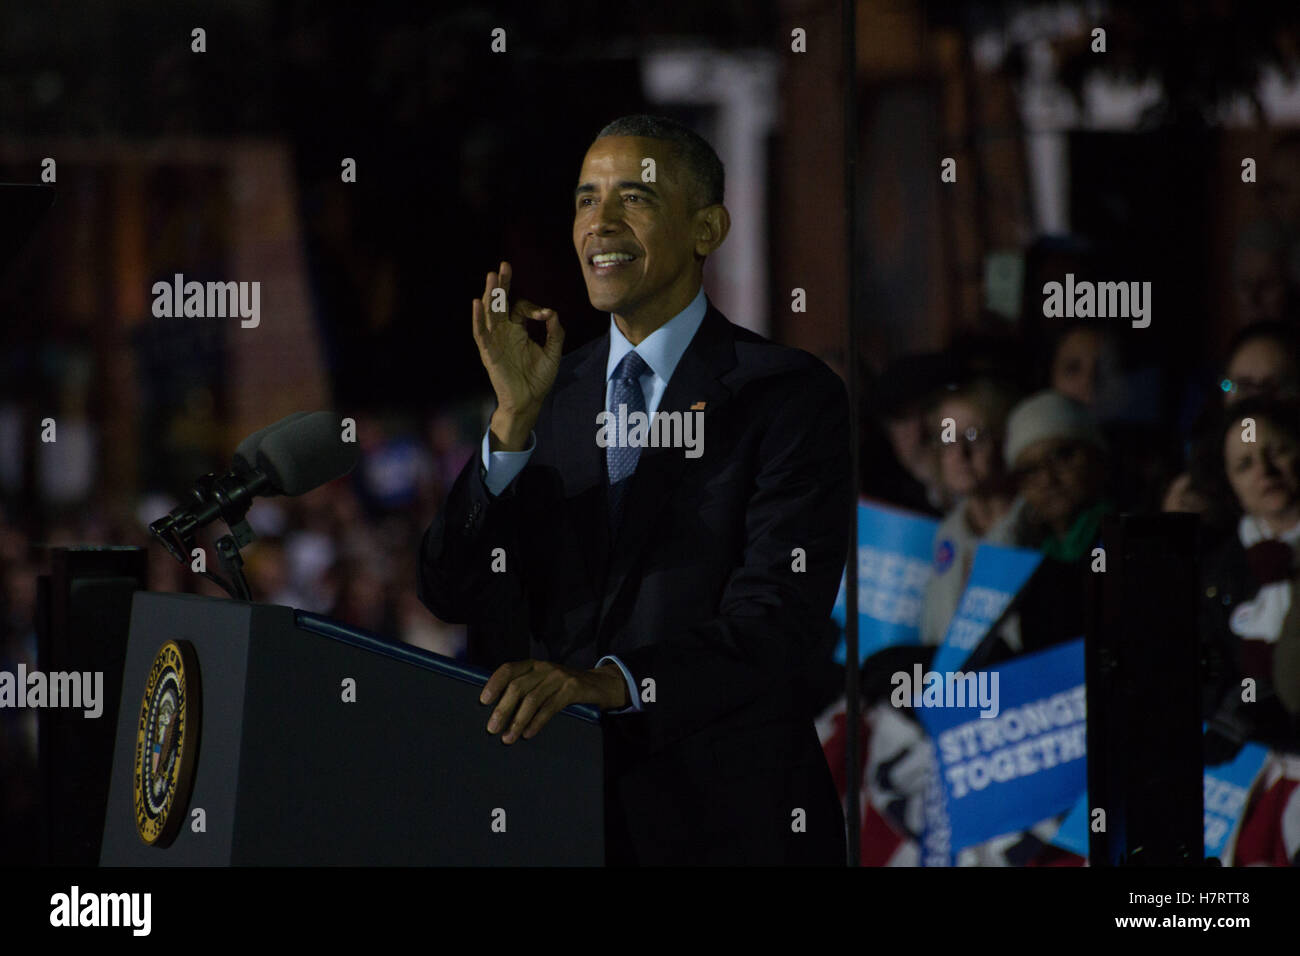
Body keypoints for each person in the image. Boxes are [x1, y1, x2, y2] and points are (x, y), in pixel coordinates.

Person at [417, 114, 852, 865]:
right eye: (586, 199)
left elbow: (780, 619)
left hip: (732, 827)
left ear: (707, 228)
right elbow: (452, 591)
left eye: (635, 198)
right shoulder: (544, 390)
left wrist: (608, 683)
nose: (600, 222)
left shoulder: (785, 395)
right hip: (558, 817)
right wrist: (512, 424)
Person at [1196, 397, 1300, 757]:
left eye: (1278, 451)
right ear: (1230, 485)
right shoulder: (1217, 572)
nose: (1265, 471)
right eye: (1245, 465)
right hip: (1255, 759)